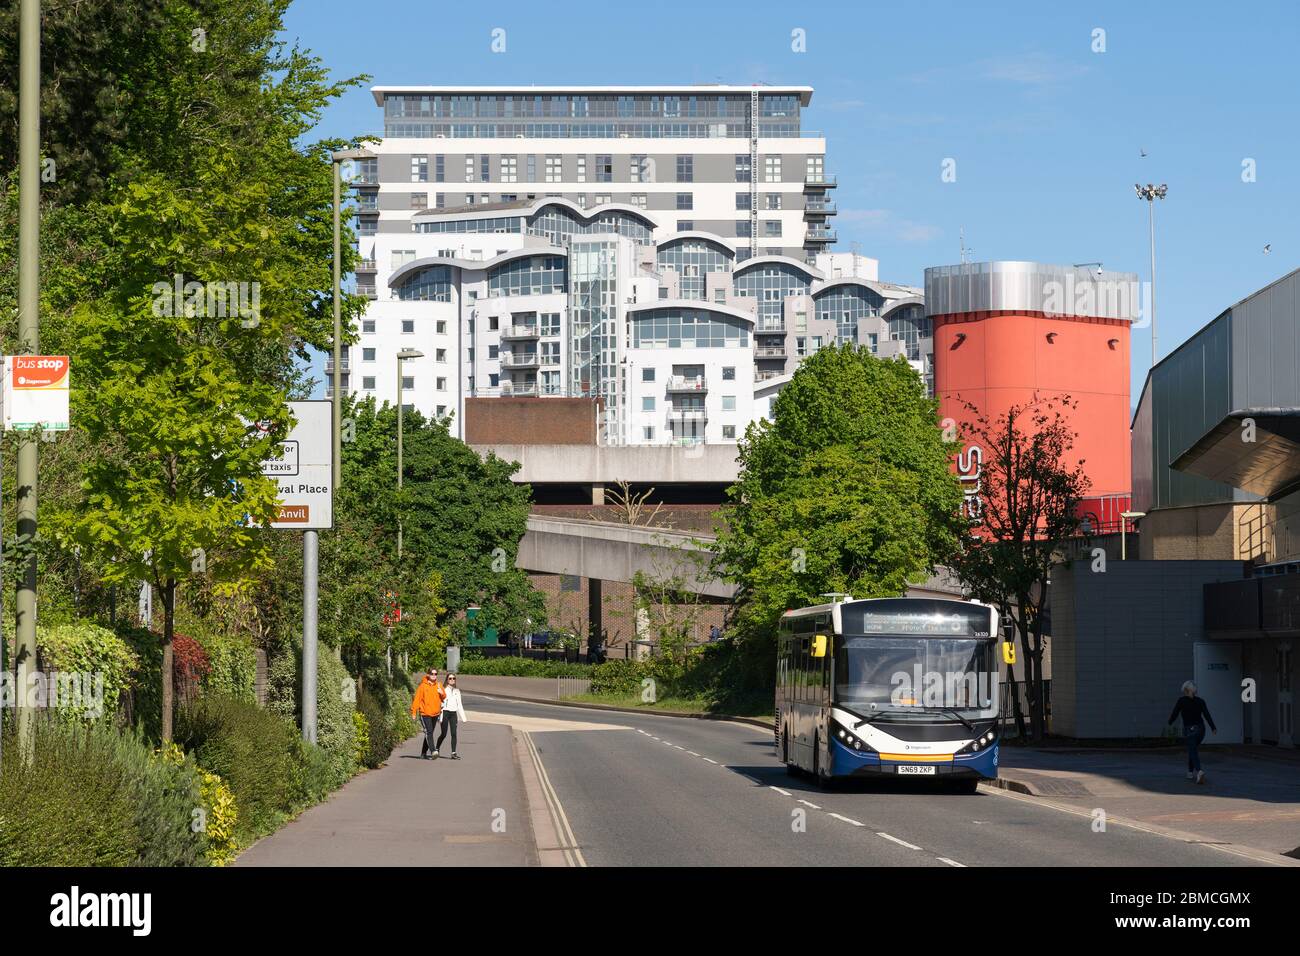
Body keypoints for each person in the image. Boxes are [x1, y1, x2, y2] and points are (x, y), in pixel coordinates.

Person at [1168, 680, 1216, 784]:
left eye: (1184, 690)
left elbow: (1175, 713)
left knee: (1192, 749)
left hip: (1189, 729)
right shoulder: (1201, 701)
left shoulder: (1181, 701)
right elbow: (1207, 715)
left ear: (1186, 690)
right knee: (1192, 748)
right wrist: (1213, 727)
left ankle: (1199, 771)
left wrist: (1170, 722)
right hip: (1201, 730)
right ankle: (1190, 772)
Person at [410, 666, 446, 760]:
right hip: (425, 713)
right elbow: (417, 700)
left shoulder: (439, 685)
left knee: (429, 733)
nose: (434, 675)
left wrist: (441, 692)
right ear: (428, 675)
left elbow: (443, 698)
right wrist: (414, 712)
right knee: (429, 732)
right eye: (432, 674)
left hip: (435, 714)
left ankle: (423, 753)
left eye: (435, 674)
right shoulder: (422, 686)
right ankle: (433, 751)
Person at [435, 673, 469, 759]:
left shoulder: (457, 691)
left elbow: (459, 704)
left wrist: (464, 717)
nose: (452, 680)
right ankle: (437, 748)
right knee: (444, 734)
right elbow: (440, 704)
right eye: (450, 678)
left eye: (454, 678)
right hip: (445, 713)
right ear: (447, 680)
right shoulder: (443, 689)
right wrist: (440, 717)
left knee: (454, 733)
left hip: (453, 714)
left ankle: (453, 753)